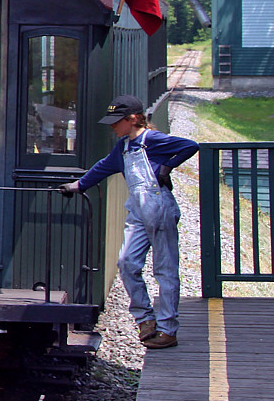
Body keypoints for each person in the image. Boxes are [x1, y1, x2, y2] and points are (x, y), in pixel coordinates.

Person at [60, 95, 198, 349]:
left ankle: (168, 329)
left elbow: (189, 146)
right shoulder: (123, 147)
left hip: (159, 208)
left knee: (165, 270)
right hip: (137, 210)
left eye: (117, 122)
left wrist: (167, 167)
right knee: (126, 262)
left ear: (132, 119)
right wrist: (78, 186)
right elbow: (103, 167)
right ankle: (145, 318)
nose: (113, 127)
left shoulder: (152, 140)